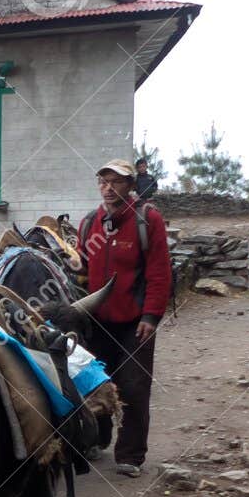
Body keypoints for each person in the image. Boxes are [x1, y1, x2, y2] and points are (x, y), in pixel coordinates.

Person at [76, 159, 172, 479]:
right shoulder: (90, 223)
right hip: (97, 321)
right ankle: (96, 440)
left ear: (131, 185)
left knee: (133, 387)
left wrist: (151, 315)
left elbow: (160, 272)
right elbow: (78, 271)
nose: (108, 188)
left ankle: (130, 454)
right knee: (93, 383)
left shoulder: (148, 221)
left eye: (116, 181)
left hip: (135, 321)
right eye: (103, 181)